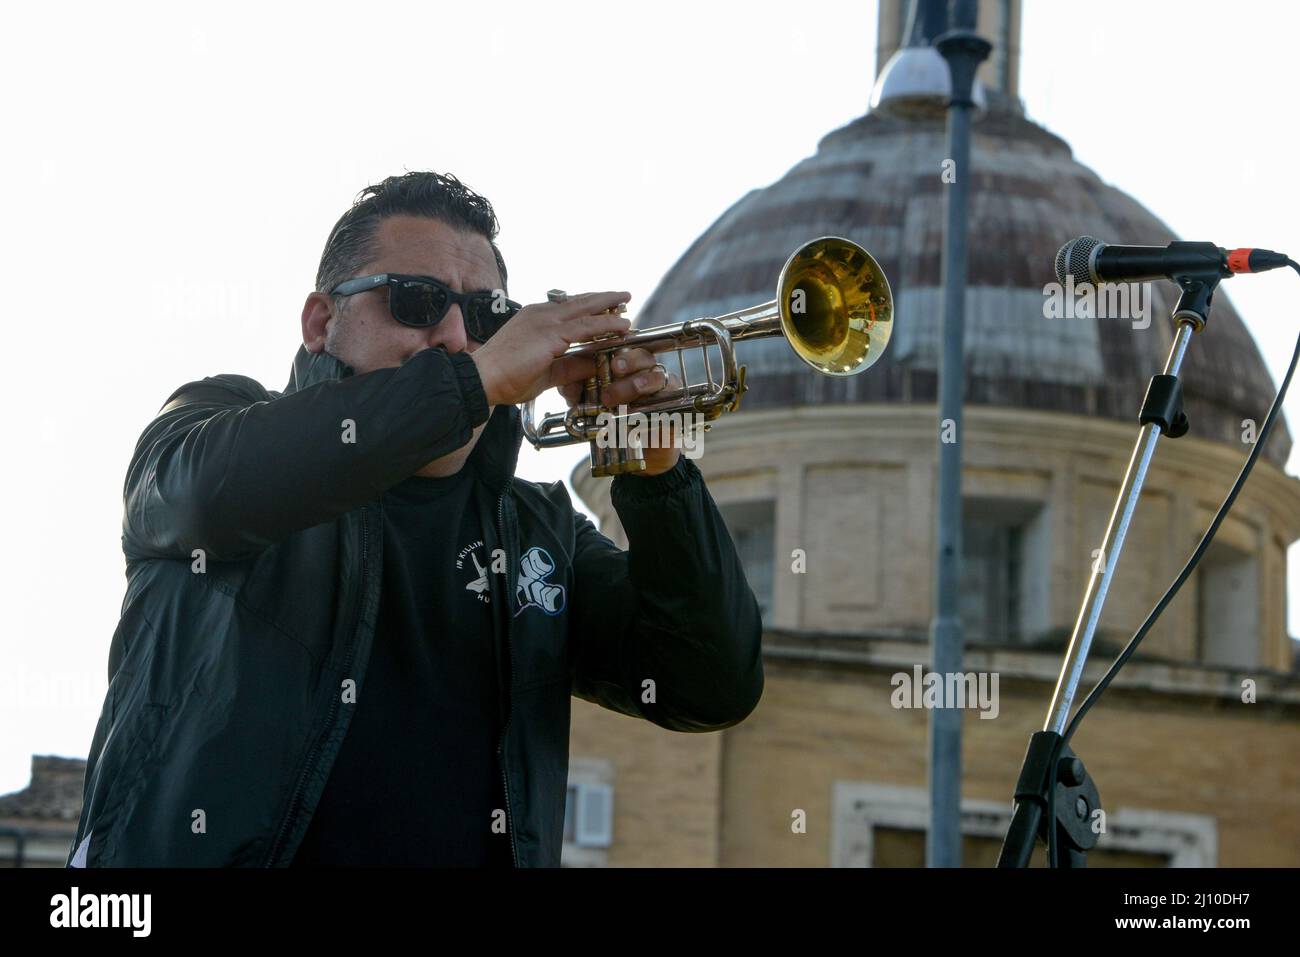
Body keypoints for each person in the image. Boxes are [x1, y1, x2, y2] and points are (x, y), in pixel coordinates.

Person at [65, 171, 764, 868]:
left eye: (487, 317)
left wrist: (657, 476)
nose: (458, 336)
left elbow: (709, 683)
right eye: (417, 301)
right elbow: (203, 496)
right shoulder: (209, 425)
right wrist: (477, 383)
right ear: (320, 321)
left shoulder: (538, 534)